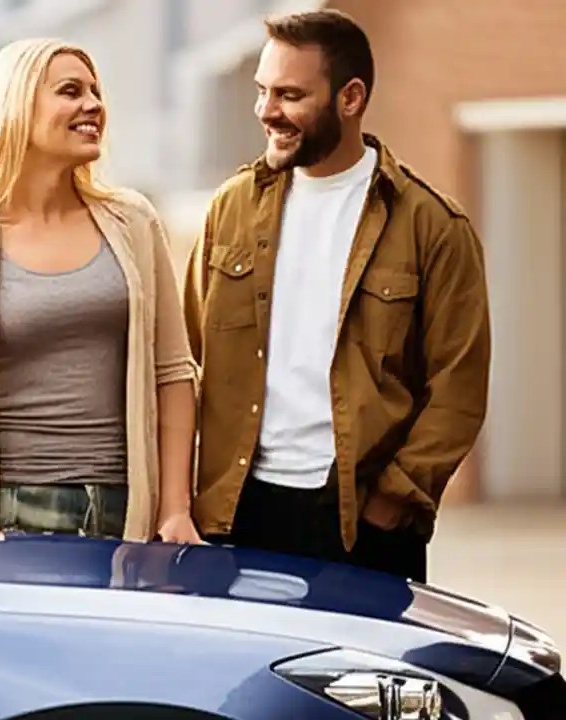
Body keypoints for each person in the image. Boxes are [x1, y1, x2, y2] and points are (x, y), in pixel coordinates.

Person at [183, 9, 491, 582]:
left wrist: (391, 504)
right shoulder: (230, 209)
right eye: (262, 91)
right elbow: (187, 358)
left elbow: (458, 388)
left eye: (290, 94)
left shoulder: (431, 225)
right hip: (237, 512)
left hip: (361, 523)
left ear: (350, 98)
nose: (267, 111)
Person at [0, 37, 200, 543]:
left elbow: (174, 372)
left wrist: (174, 509)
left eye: (96, 91)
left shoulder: (133, 223)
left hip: (128, 511)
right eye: (70, 91)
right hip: (8, 514)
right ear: (18, 107)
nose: (93, 104)